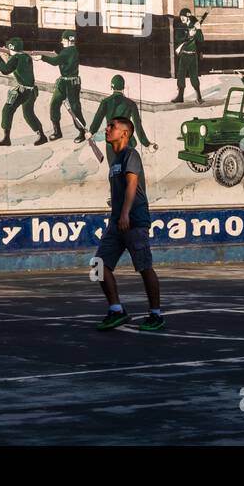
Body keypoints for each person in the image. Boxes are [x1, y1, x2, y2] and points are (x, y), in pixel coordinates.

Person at [94, 117, 163, 332]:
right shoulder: (115, 159)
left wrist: (125, 213)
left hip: (134, 221)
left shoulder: (130, 155)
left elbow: (132, 184)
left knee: (144, 266)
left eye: (112, 127)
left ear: (124, 133)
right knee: (98, 265)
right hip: (117, 222)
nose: (107, 129)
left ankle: (156, 315)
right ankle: (116, 310)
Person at [0, 37, 48, 147]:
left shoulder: (16, 58)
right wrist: (7, 56)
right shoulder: (25, 56)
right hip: (31, 91)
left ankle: (6, 138)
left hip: (23, 91)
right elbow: (16, 65)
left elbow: (5, 70)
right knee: (28, 114)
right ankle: (42, 136)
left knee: (7, 110)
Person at [88, 75, 156, 158]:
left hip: (111, 143)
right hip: (126, 141)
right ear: (123, 87)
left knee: (114, 168)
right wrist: (146, 144)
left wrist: (91, 132)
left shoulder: (105, 102)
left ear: (111, 87)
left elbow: (97, 120)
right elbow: (138, 126)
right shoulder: (131, 104)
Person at [42, 30, 87, 143]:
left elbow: (55, 61)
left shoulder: (69, 52)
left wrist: (42, 57)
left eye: (63, 40)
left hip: (71, 84)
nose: (62, 42)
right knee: (54, 104)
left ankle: (82, 132)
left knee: (75, 108)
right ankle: (57, 132)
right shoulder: (68, 51)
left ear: (69, 40)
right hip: (63, 82)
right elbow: (60, 59)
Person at [172, 8, 203, 104]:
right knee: (181, 76)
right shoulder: (180, 27)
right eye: (181, 16)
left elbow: (201, 40)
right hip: (184, 54)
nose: (182, 18)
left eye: (184, 16)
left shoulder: (194, 26)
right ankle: (180, 96)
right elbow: (177, 39)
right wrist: (188, 35)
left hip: (193, 56)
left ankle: (199, 97)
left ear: (188, 17)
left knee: (194, 76)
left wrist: (198, 30)